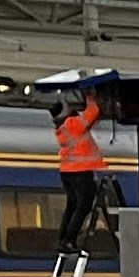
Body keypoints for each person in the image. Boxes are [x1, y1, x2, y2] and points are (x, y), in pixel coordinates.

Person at [52, 88, 116, 261]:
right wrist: (90, 95)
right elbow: (93, 111)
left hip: (67, 173)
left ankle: (63, 239)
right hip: (80, 171)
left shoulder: (63, 128)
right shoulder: (74, 124)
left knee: (72, 206)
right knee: (84, 206)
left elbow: (88, 122)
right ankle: (69, 240)